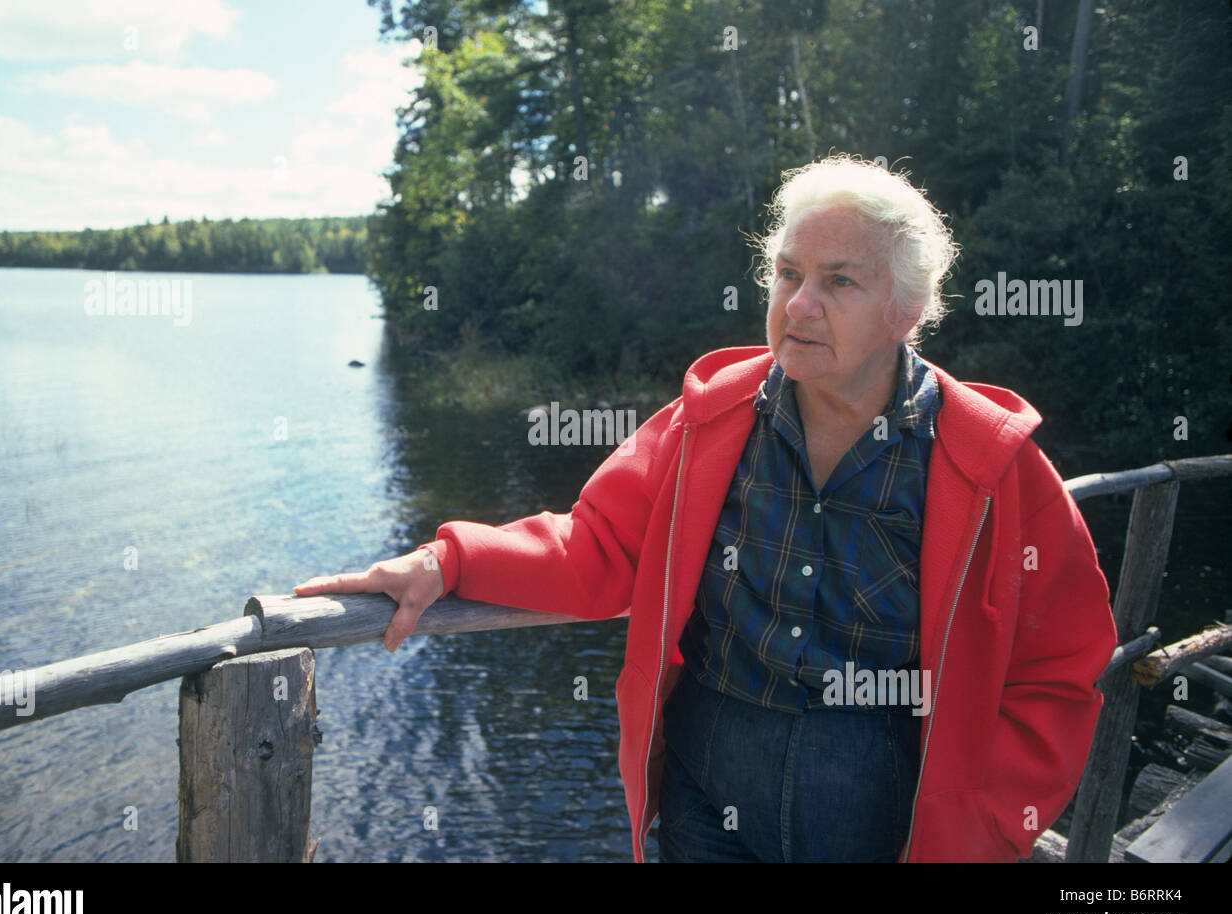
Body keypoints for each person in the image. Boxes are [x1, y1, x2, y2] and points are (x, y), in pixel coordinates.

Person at [295, 154, 1118, 863]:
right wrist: (448, 560)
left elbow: (1062, 666)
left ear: (906, 311)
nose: (798, 304)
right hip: (706, 803)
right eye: (788, 272)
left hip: (883, 824)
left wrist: (981, 826)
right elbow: (597, 545)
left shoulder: (991, 466)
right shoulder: (711, 419)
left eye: (838, 282)